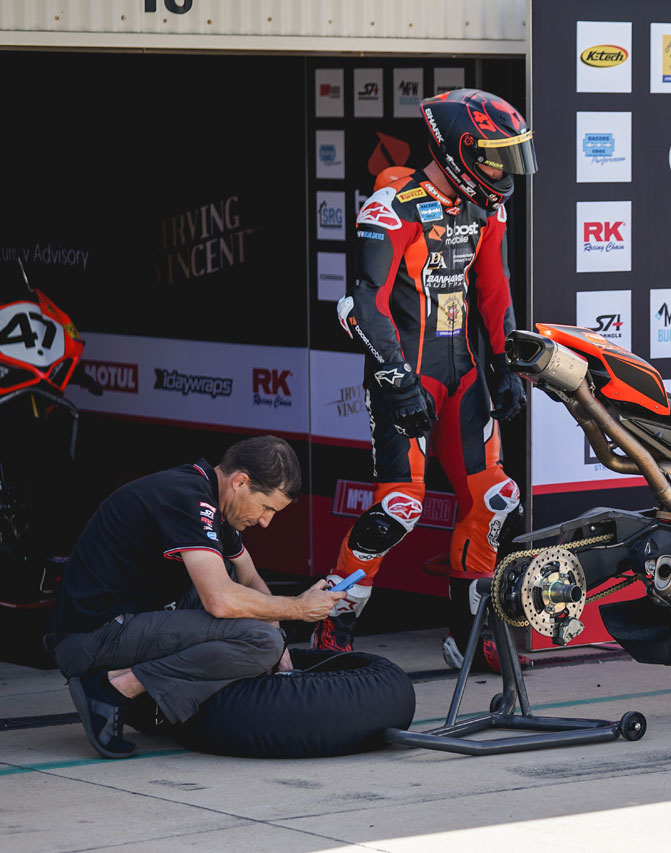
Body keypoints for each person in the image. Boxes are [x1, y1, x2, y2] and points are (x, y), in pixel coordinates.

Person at [315, 88, 536, 672]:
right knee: (399, 509)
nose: (504, 169)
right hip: (405, 378)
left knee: (494, 499)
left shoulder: (487, 208)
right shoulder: (393, 204)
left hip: (463, 376)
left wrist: (505, 367)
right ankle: (331, 619)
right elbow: (362, 305)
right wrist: (395, 380)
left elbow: (495, 292)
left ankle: (470, 636)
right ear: (456, 148)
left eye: (509, 156)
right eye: (494, 156)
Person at [49, 436, 348, 759]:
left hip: (130, 621)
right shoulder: (189, 498)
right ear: (241, 482)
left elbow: (248, 576)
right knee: (259, 641)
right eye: (266, 507)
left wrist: (279, 632)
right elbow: (219, 600)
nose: (265, 522)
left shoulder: (210, 495)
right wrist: (298, 610)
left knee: (255, 615)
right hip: (93, 637)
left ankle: (143, 691)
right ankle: (113, 689)